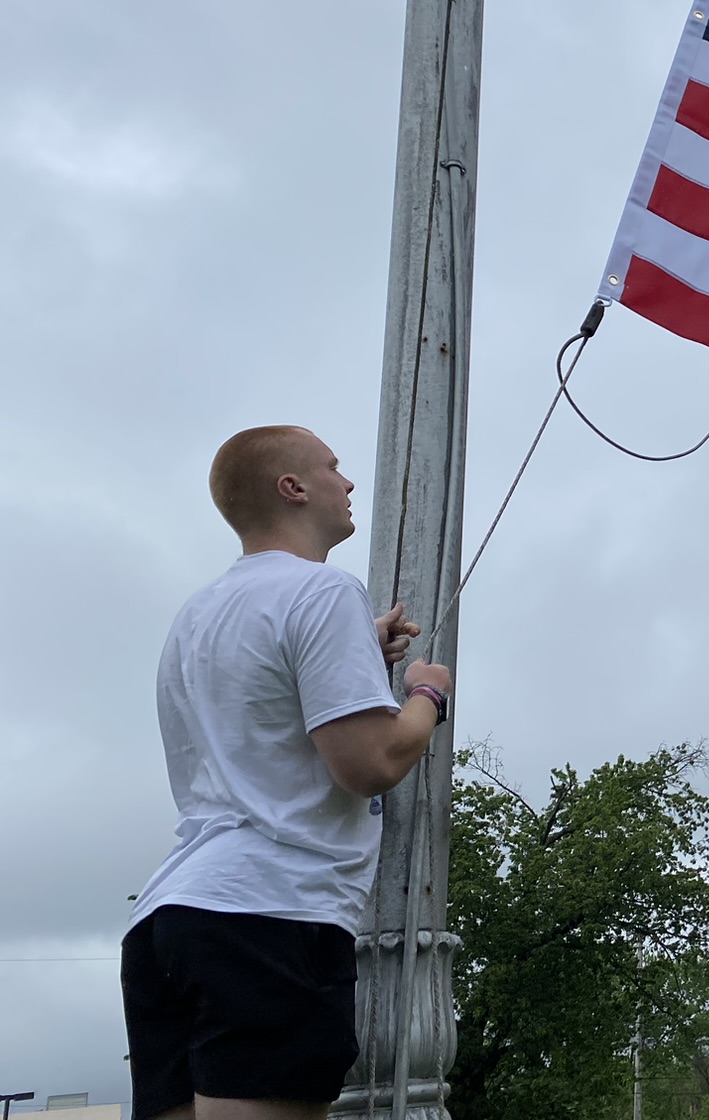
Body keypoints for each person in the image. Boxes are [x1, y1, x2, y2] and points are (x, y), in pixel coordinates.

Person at [121, 425, 454, 1120]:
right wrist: (425, 694)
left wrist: (359, 658)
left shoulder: (197, 615)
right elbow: (370, 763)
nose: (350, 481)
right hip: (268, 916)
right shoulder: (326, 592)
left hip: (169, 921)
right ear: (293, 488)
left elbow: (261, 711)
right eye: (333, 467)